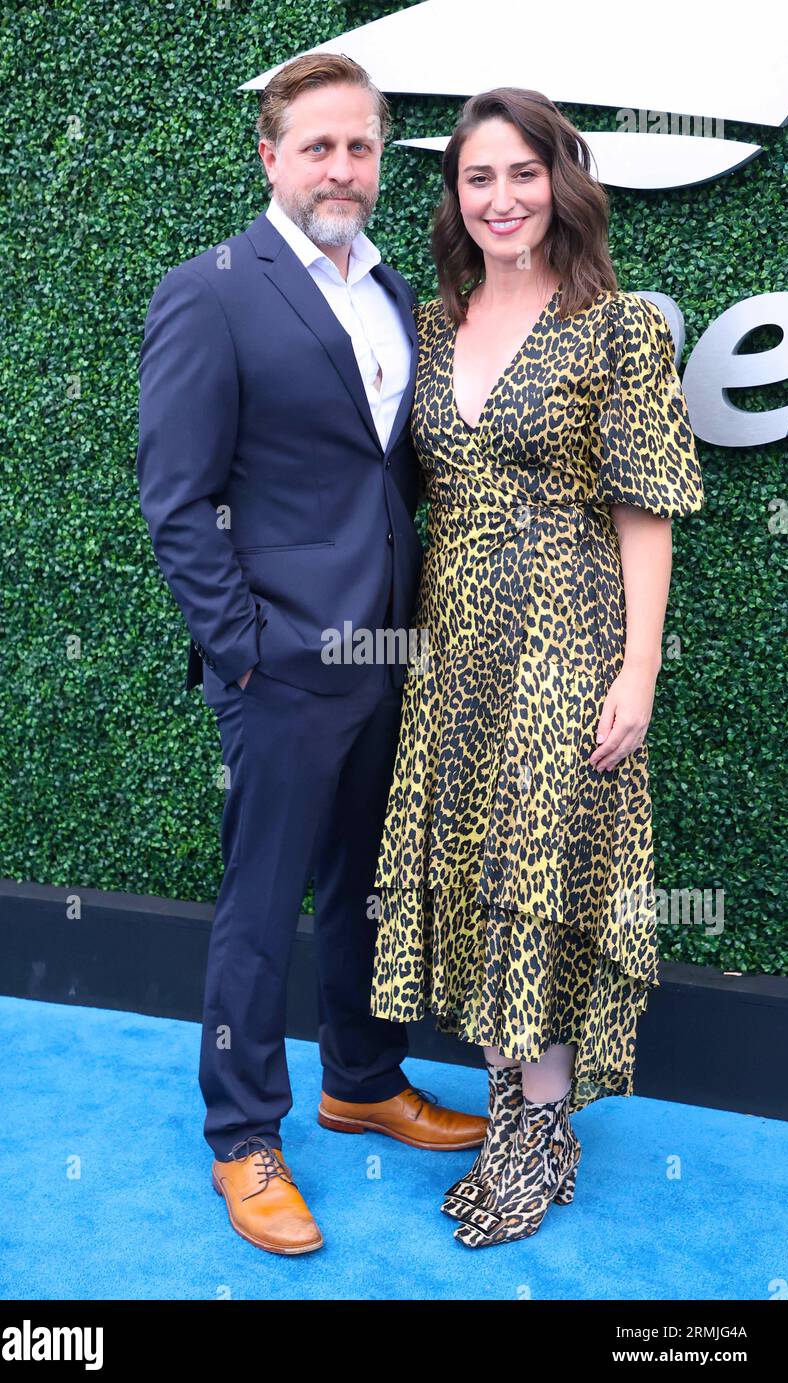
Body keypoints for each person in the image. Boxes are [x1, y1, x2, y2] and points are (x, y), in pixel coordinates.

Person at [135, 53, 486, 1259]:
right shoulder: (212, 293)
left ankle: (361, 1078)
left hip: (390, 656)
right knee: (256, 908)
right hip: (279, 669)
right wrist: (242, 653)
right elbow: (176, 501)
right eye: (320, 146)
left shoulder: (392, 290)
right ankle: (242, 1137)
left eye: (362, 148)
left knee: (359, 887)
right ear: (272, 157)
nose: (343, 168)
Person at [369, 87, 705, 1248]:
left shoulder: (614, 328)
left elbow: (645, 511)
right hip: (451, 646)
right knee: (475, 873)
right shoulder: (425, 323)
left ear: (557, 184)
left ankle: (536, 1124)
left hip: (566, 633)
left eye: (519, 174)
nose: (498, 198)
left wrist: (638, 669)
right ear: (454, 197)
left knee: (537, 872)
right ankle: (520, 1105)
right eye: (476, 178)